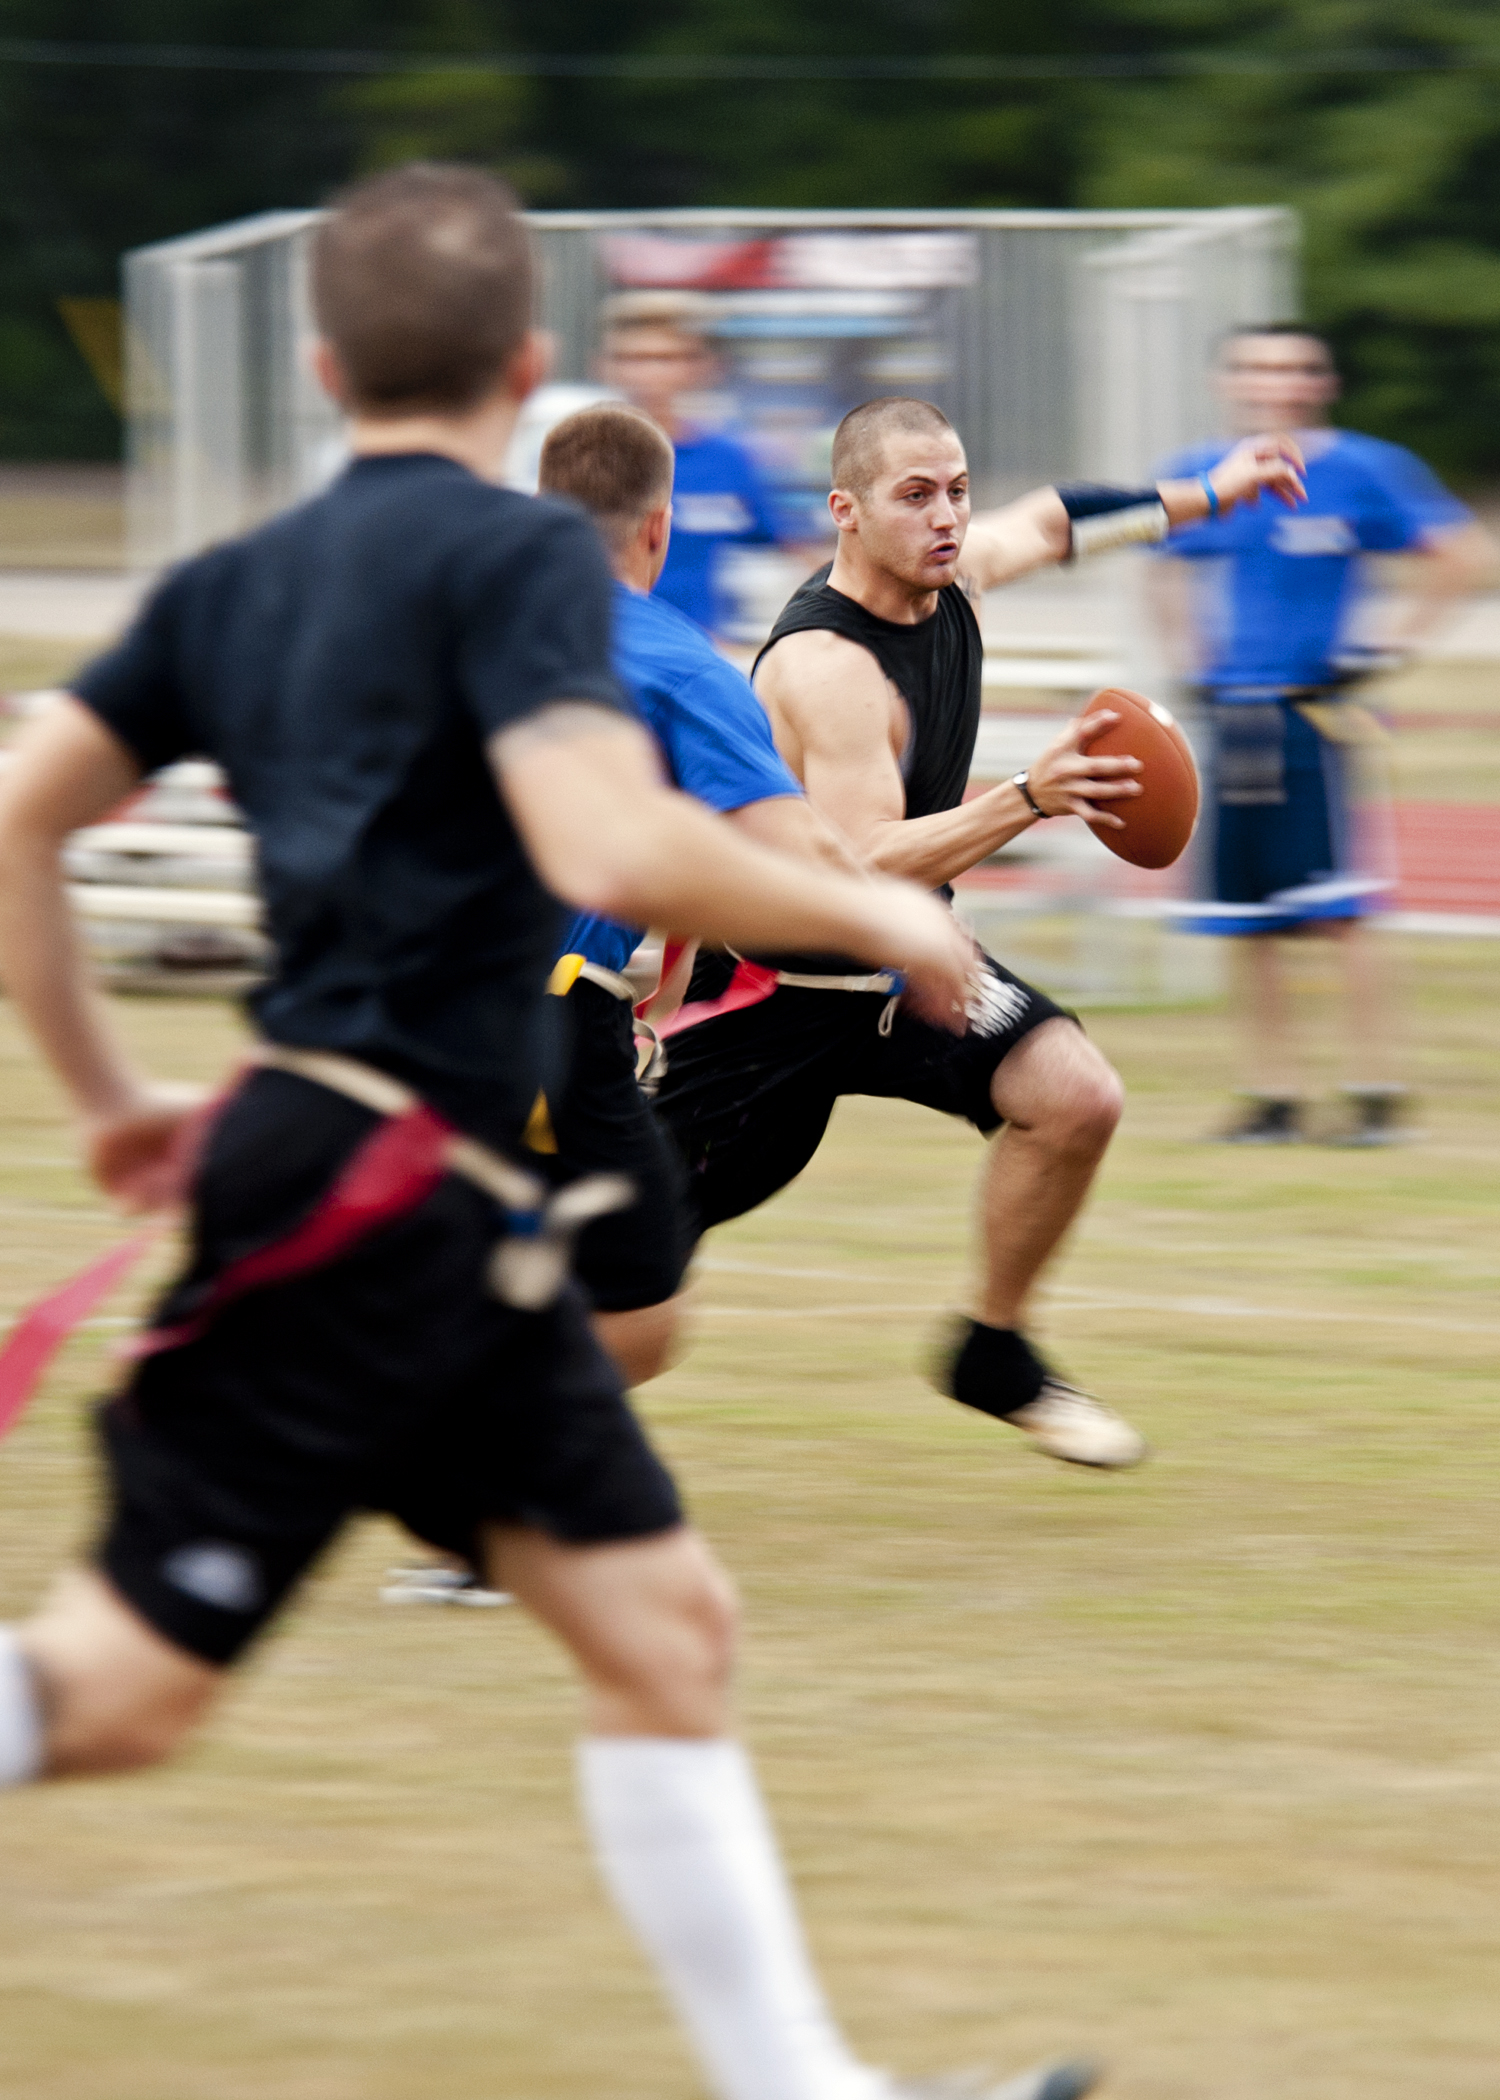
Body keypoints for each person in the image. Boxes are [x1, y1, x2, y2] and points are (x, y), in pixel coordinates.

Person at [0, 163, 1099, 2100]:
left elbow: (27, 813)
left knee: (666, 1627)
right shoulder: (546, 578)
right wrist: (891, 920)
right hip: (379, 1189)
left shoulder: (238, 579)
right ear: (523, 369)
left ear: (326, 368)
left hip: (421, 1191)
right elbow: (620, 840)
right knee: (119, 1690)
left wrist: (107, 1099)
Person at [649, 396, 1306, 1470]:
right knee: (627, 1284)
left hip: (910, 967)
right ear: (847, 512)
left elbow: (1051, 520)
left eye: (956, 490)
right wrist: (1027, 797)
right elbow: (860, 864)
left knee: (1076, 1097)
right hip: (773, 995)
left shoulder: (955, 580)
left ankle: (991, 1352)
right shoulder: (827, 666)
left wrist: (1208, 492)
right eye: (916, 496)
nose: (947, 516)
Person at [533, 400, 862, 1394]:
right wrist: (916, 934)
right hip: (538, 1013)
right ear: (659, 527)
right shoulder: (678, 667)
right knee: (637, 1305)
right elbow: (797, 854)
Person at [1147, 324, 1491, 1145]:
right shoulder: (1200, 471)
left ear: (1323, 382)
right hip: (1234, 714)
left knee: (1340, 911)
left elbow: (1463, 555)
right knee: (1247, 918)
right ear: (1230, 381)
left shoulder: (1363, 469)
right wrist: (1187, 658)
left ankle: (1375, 1095)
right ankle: (1273, 1098)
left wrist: (1380, 651)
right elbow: (1162, 564)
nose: (1279, 382)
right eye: (1259, 367)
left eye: (1298, 367)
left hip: (1313, 715)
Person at [597, 290, 819, 636]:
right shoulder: (585, 457)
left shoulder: (728, 462)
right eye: (635, 358)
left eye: (667, 358)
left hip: (700, 649)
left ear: (700, 367)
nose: (651, 373)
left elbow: (797, 549)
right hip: (609, 648)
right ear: (605, 366)